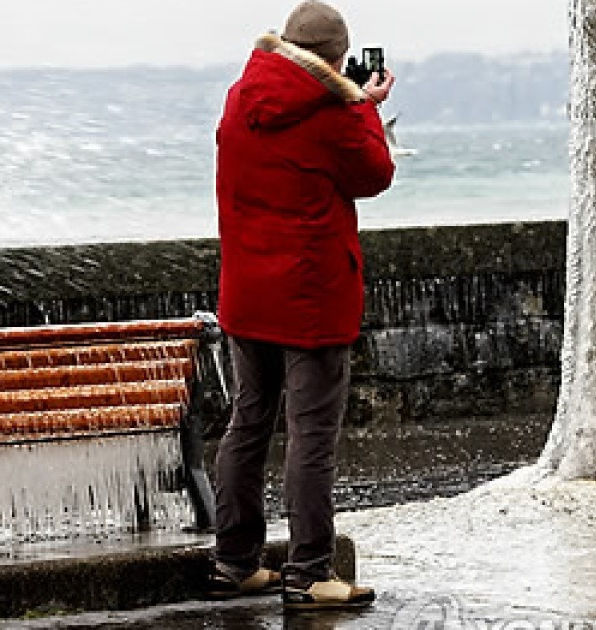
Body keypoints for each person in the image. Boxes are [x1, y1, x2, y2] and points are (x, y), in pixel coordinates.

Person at [207, 0, 396, 611]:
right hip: (311, 295)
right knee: (311, 435)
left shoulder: (242, 96)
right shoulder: (335, 112)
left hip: (247, 290)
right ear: (338, 59)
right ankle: (309, 572)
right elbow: (374, 174)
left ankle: (234, 561)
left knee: (249, 421)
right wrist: (365, 107)